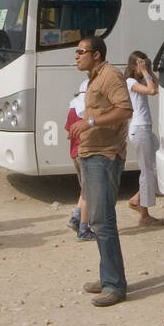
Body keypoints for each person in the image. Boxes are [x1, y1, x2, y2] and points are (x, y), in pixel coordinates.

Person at [67, 36, 132, 307]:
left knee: (104, 222)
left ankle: (114, 285)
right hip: (92, 153)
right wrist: (83, 125)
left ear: (96, 54)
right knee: (96, 220)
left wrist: (90, 122)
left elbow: (124, 110)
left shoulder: (110, 76)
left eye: (81, 51)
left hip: (105, 155)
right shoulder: (95, 78)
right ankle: (108, 278)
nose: (76, 56)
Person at [125, 51, 160, 224]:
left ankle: (136, 199)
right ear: (134, 66)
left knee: (156, 165)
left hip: (145, 129)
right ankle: (144, 215)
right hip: (139, 129)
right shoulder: (130, 82)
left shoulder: (140, 80)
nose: (143, 67)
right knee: (146, 171)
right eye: (140, 64)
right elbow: (151, 91)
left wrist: (149, 70)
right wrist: (145, 71)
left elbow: (157, 87)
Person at [65, 77, 96, 242]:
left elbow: (67, 133)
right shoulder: (89, 109)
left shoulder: (72, 107)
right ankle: (84, 229)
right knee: (89, 192)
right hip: (86, 153)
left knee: (84, 190)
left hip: (74, 153)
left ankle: (76, 218)